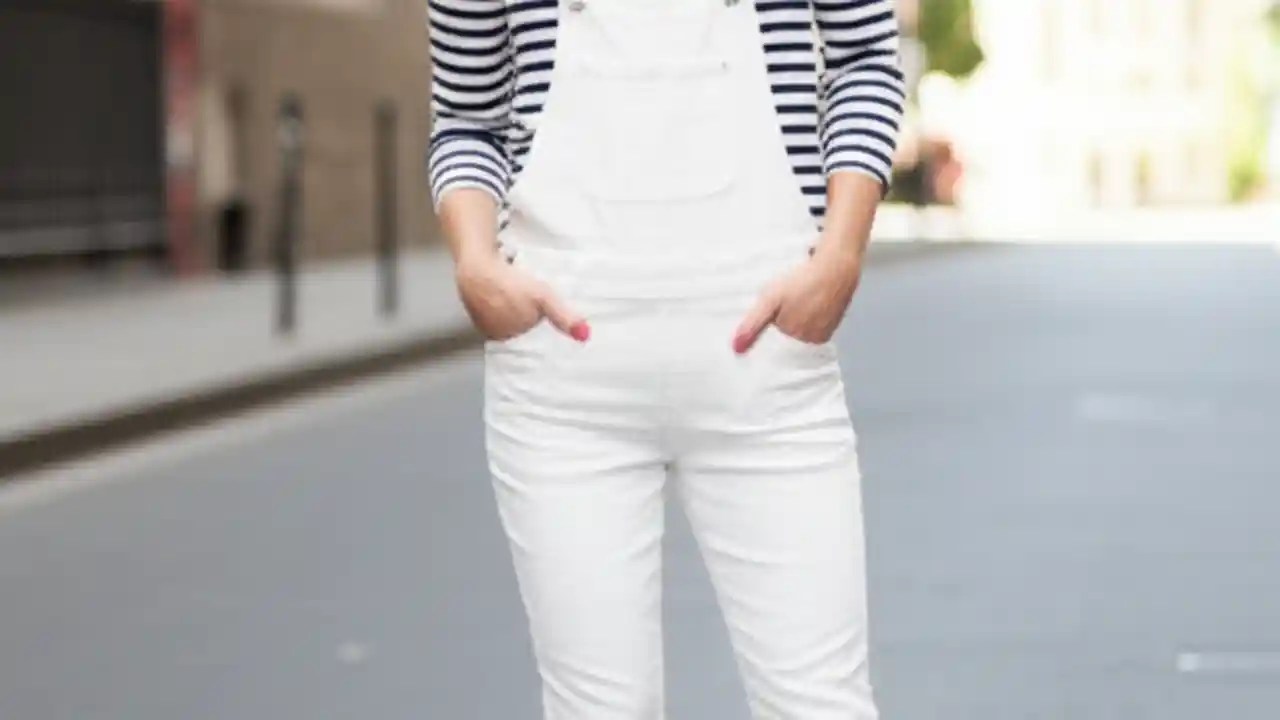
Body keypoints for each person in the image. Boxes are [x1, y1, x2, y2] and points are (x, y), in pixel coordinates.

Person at [427, 0, 903, 716]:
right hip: (564, 390)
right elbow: (467, 111)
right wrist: (475, 264)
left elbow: (866, 58)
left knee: (820, 703)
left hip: (768, 375)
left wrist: (840, 255)